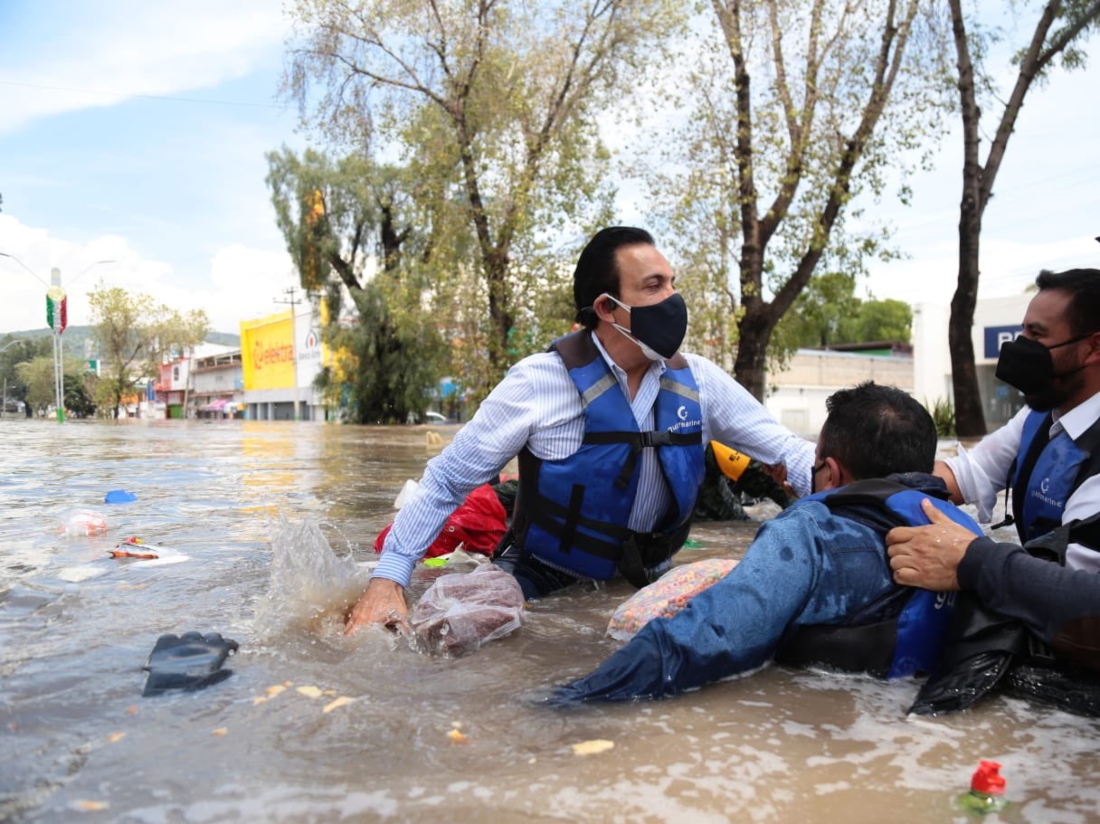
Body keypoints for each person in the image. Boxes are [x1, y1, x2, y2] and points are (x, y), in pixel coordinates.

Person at [345, 226, 815, 634]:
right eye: (654, 286)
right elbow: (446, 482)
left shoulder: (701, 381)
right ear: (608, 308)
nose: (674, 301)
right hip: (540, 573)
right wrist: (387, 581)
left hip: (651, 574)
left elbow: (790, 454)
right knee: (456, 627)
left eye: (673, 284)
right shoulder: (537, 382)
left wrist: (879, 503)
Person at [550, 382, 982, 703]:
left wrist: (567, 699)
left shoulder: (810, 533)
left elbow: (702, 639)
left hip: (827, 722)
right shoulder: (966, 534)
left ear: (829, 472)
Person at [931, 268, 1100, 571]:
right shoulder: (1039, 417)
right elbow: (971, 472)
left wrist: (969, 558)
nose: (1021, 345)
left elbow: (1069, 584)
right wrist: (880, 483)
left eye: (1036, 334)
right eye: (1023, 331)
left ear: (1094, 347)